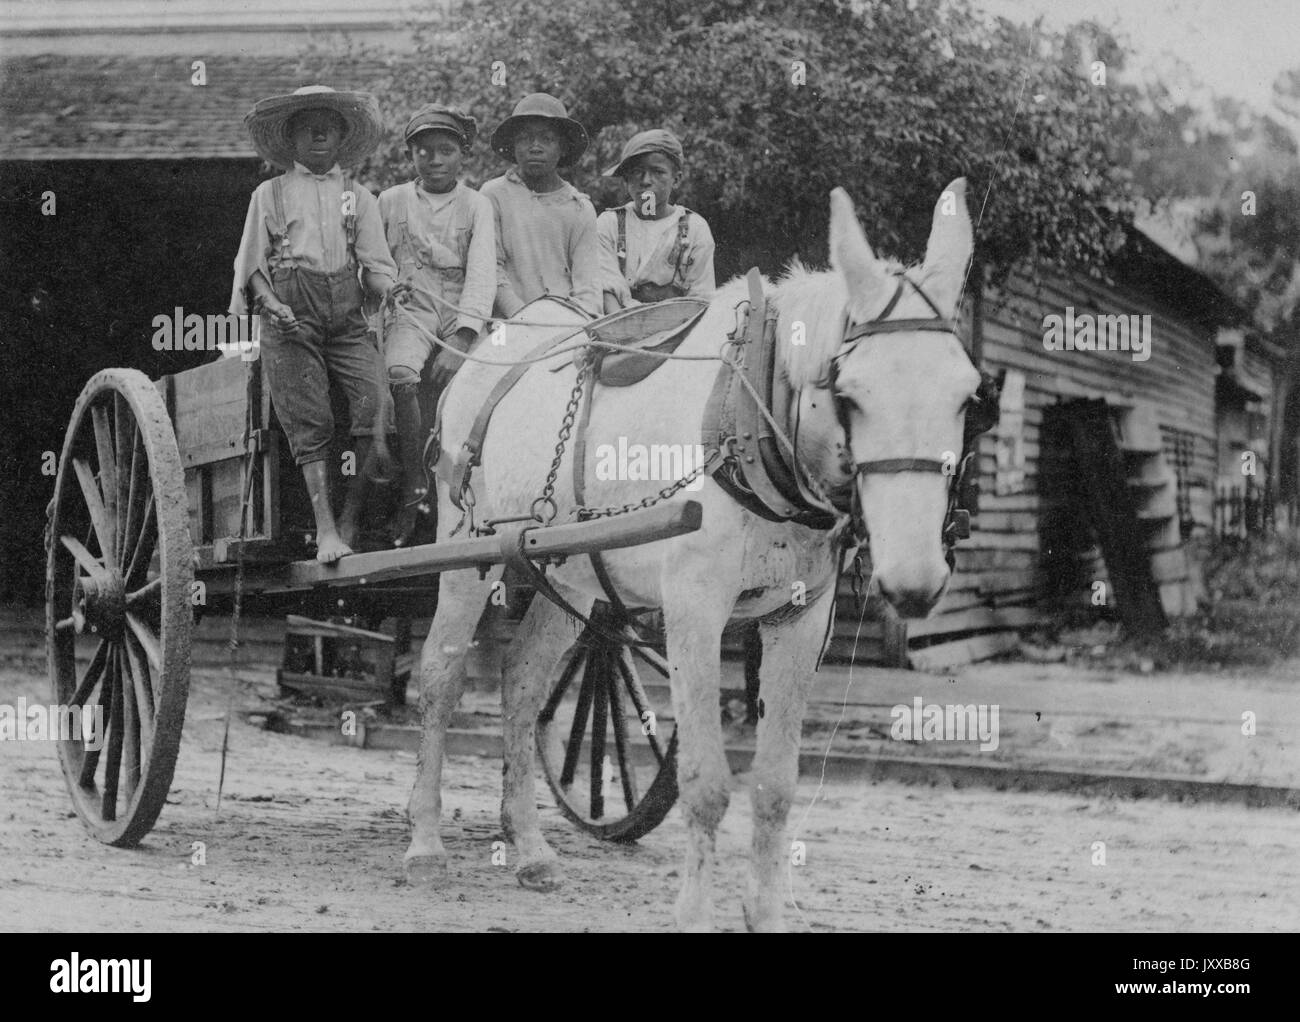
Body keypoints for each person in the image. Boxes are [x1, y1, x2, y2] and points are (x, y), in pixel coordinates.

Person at [230, 85, 401, 563]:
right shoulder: (270, 194)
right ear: (293, 139)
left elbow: (376, 265)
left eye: (329, 125)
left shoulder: (359, 197)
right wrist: (271, 303)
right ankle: (325, 530)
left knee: (376, 403)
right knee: (315, 421)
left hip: (347, 322)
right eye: (309, 126)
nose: (320, 133)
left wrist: (390, 288)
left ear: (342, 135)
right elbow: (250, 267)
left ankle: (349, 519)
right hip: (290, 323)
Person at [378, 104, 495, 546]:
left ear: (462, 155)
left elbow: (482, 274)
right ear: (411, 154)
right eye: (423, 151)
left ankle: (466, 489)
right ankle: (416, 484)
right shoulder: (391, 201)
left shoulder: (477, 205)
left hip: (460, 309)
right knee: (402, 376)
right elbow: (373, 260)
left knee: (480, 389)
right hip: (413, 309)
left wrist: (464, 335)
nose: (435, 160)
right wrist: (386, 288)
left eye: (445, 150)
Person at [480, 93, 601, 317]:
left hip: (563, 323)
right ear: (513, 146)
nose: (535, 147)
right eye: (525, 138)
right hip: (507, 320)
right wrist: (521, 316)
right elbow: (491, 268)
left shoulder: (579, 208)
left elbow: (588, 287)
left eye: (547, 139)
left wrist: (568, 321)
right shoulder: (493, 195)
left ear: (563, 147)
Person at [597, 128, 716, 314]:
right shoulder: (609, 223)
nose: (646, 181)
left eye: (657, 172)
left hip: (679, 330)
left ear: (675, 180)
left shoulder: (694, 228)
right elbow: (605, 288)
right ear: (626, 180)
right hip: (616, 327)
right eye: (637, 172)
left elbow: (701, 299)